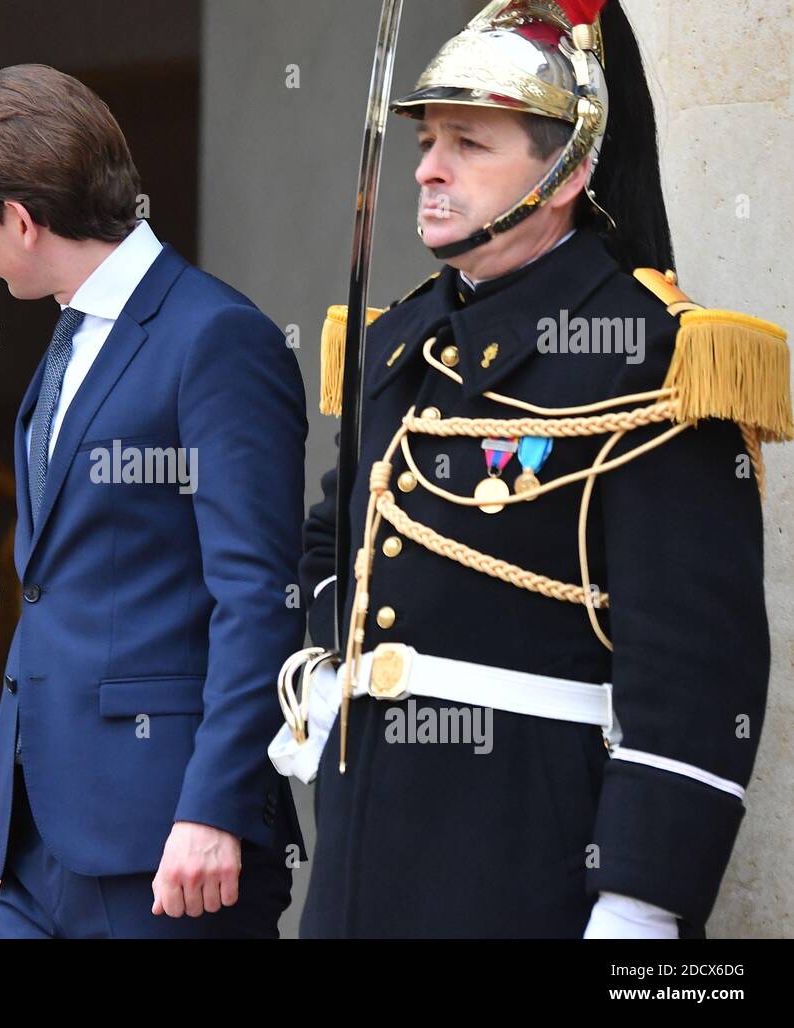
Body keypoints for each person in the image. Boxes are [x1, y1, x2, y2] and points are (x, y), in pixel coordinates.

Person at [283, 0, 791, 937]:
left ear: (568, 169)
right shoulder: (399, 340)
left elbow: (693, 669)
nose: (430, 170)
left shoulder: (651, 357)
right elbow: (331, 535)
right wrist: (333, 661)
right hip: (366, 859)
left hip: (531, 859)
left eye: (469, 144)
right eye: (429, 140)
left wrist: (640, 901)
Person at [0, 64, 307, 938]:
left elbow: (257, 598)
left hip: (169, 849)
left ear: (21, 220)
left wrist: (213, 808)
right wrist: (12, 843)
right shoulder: (72, 333)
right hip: (39, 849)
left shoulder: (214, 338)